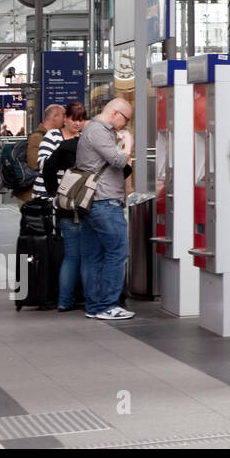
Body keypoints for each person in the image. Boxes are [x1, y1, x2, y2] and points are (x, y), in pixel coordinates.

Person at [76, 98, 135, 321]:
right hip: (104, 202)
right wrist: (128, 145)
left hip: (94, 202)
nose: (125, 124)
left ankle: (94, 306)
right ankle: (108, 304)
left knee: (93, 255)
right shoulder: (98, 131)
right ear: (116, 113)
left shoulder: (94, 130)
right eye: (126, 119)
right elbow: (117, 162)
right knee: (117, 251)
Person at [39, 102, 89, 312]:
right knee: (75, 253)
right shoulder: (53, 137)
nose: (77, 123)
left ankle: (73, 298)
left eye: (81, 119)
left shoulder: (85, 138)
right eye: (74, 119)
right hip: (64, 203)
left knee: (79, 253)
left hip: (84, 202)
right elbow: (43, 165)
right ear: (65, 118)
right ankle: (70, 299)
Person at [22, 104, 65, 204]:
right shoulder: (38, 136)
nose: (65, 119)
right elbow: (34, 164)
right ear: (54, 117)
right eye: (63, 115)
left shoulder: (55, 134)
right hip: (38, 192)